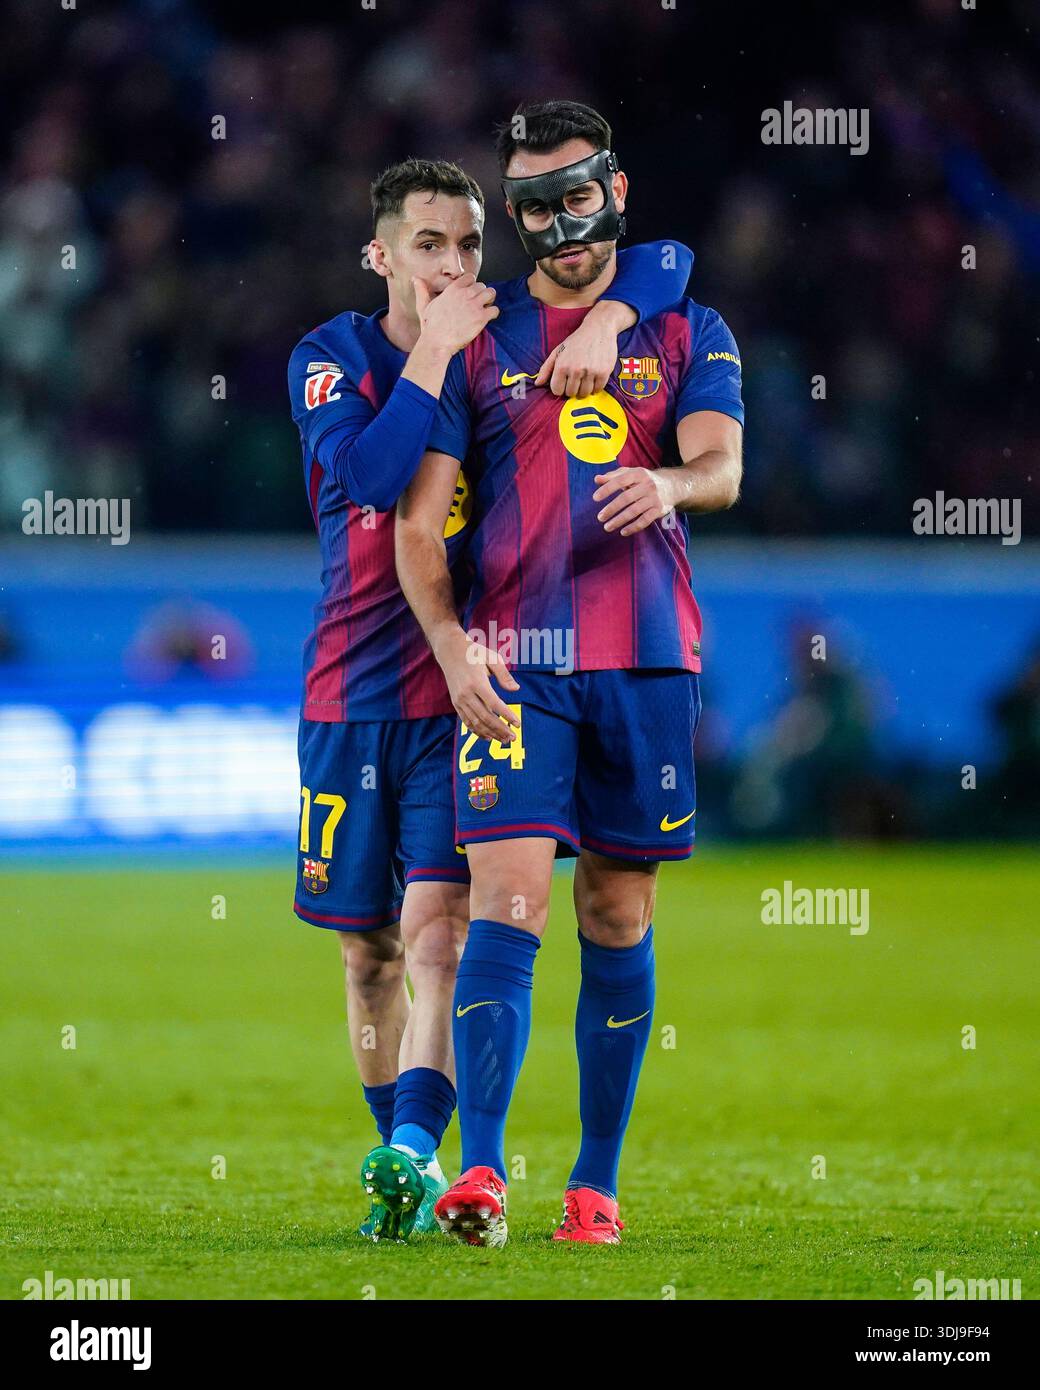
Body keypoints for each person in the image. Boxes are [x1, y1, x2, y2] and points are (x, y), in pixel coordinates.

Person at [287, 154, 694, 1239]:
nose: (454, 266)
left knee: (438, 931)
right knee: (363, 949)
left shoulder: (509, 331)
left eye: (469, 244)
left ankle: (415, 1156)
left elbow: (666, 259)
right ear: (381, 254)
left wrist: (607, 314)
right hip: (348, 683)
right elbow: (373, 484)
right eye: (428, 246)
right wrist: (431, 344)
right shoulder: (332, 356)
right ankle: (401, 1155)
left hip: (466, 684)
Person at [395, 101, 744, 1247]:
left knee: (615, 904)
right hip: (514, 660)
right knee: (509, 897)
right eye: (533, 203)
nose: (557, 221)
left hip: (643, 654)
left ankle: (593, 1184)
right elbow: (420, 514)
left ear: (615, 189)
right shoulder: (476, 344)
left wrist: (670, 489)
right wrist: (449, 649)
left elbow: (721, 468)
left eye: (574, 195)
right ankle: (480, 1175)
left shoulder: (688, 326)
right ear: (513, 213)